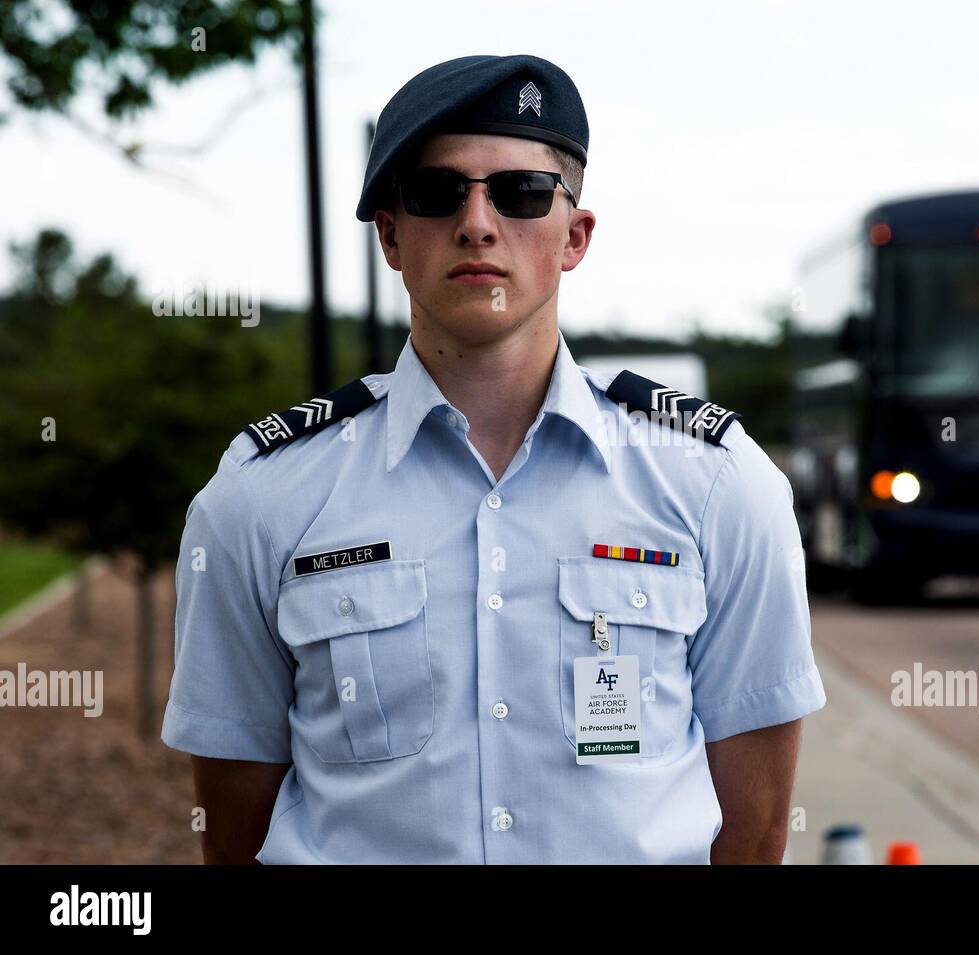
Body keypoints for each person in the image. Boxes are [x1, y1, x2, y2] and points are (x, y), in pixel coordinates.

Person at [161, 53, 826, 864]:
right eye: (438, 193)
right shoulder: (260, 499)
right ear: (392, 236)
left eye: (520, 193)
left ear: (574, 235)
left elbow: (753, 833)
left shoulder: (720, 486)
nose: (478, 222)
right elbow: (235, 830)